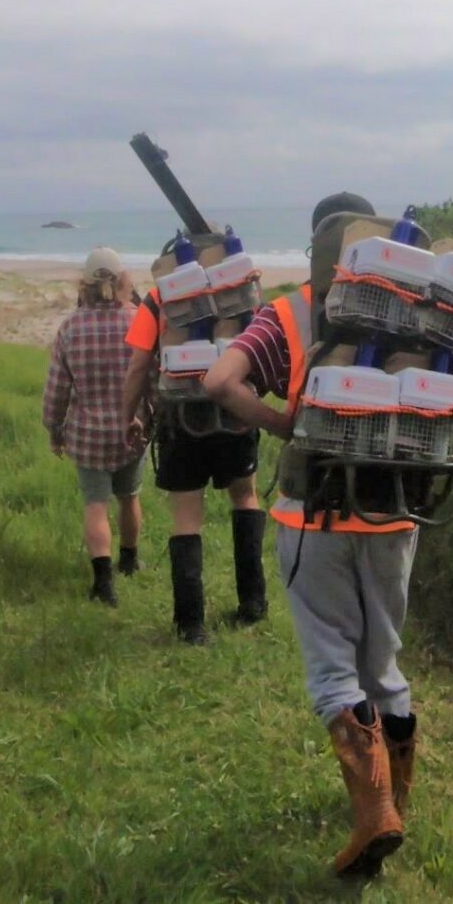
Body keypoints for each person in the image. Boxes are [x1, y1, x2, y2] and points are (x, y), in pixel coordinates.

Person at [201, 192, 453, 880]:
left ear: (323, 247)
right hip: (398, 515)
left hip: (312, 515)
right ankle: (395, 797)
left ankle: (375, 814)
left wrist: (288, 425)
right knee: (385, 664)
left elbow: (220, 380)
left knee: (332, 669)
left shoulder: (288, 314)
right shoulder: (422, 316)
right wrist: (422, 434)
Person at [120, 270, 267, 646]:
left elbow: (138, 366)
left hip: (181, 420)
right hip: (235, 414)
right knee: (246, 497)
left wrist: (128, 416)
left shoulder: (160, 297)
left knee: (187, 517)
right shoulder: (242, 289)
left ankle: (191, 626)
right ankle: (253, 603)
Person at [43, 246, 148, 605]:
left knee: (95, 504)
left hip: (87, 434)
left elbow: (57, 389)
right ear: (123, 281)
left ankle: (103, 584)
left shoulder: (71, 327)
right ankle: (131, 561)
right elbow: (153, 377)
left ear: (84, 284)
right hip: (132, 429)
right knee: (130, 497)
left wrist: (54, 430)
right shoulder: (139, 321)